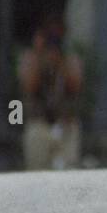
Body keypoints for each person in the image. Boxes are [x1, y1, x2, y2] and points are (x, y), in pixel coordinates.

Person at [17, 15, 84, 171]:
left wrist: (60, 64)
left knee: (69, 172)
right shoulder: (30, 58)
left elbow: (75, 86)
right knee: (37, 173)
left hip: (66, 125)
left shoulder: (70, 59)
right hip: (39, 124)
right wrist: (40, 58)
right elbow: (29, 86)